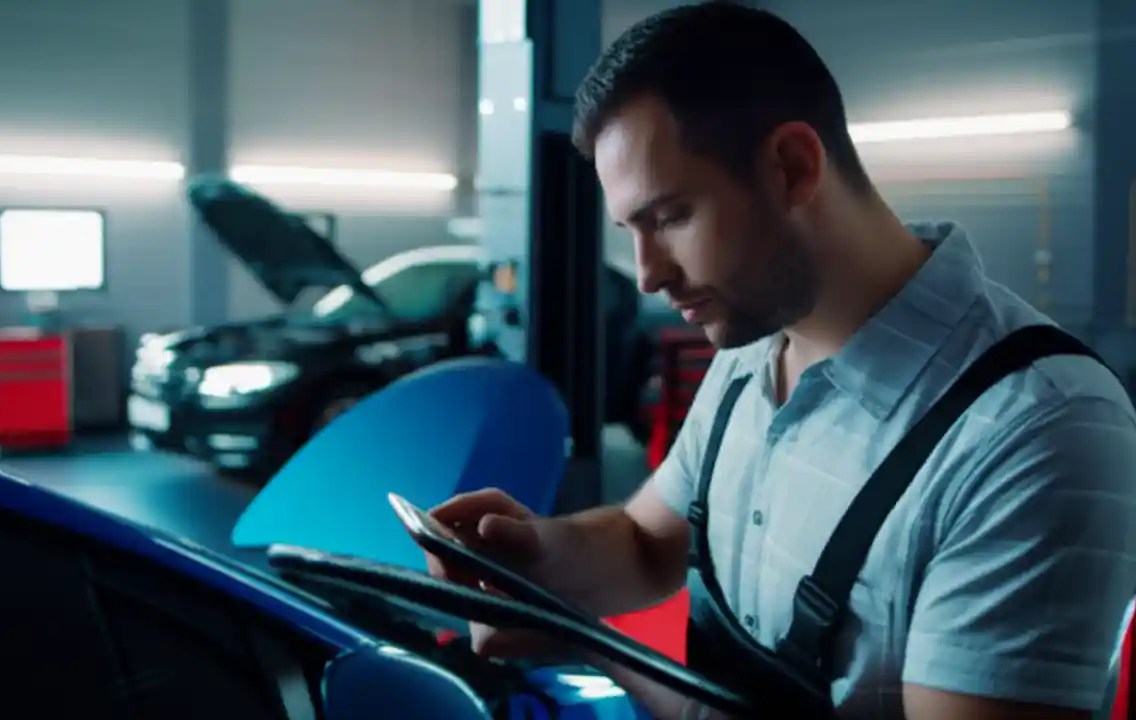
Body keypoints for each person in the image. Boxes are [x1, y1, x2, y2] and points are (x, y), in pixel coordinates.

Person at [423, 2, 1136, 719]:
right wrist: (528, 557)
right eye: (630, 229)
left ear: (792, 167)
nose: (645, 275)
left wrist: (581, 637)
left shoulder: (1038, 433)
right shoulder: (754, 347)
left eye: (669, 217)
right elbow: (646, 543)